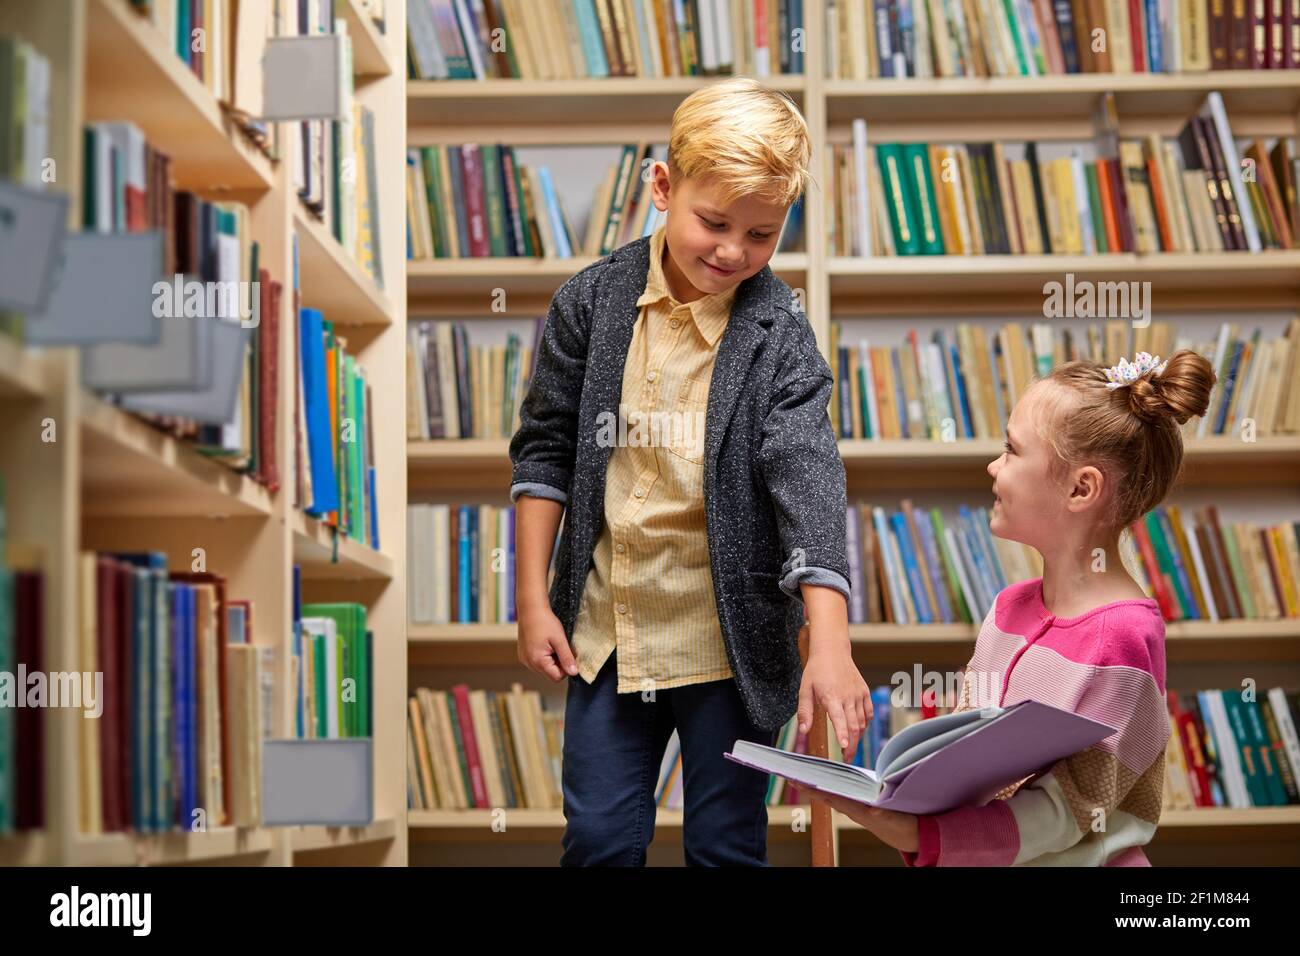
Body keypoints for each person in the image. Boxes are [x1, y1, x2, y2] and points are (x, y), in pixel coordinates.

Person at [509, 77, 872, 866]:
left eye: (763, 234)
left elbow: (807, 479)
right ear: (663, 188)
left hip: (730, 650)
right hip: (609, 636)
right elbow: (544, 449)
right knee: (600, 842)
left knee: (725, 847)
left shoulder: (781, 334)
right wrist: (532, 597)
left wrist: (831, 643)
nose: (734, 251)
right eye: (714, 222)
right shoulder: (590, 303)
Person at [818, 350, 1215, 866]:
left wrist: (925, 836)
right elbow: (964, 752)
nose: (993, 465)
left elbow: (1070, 811)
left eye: (1011, 450)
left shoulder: (1123, 636)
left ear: (1081, 488)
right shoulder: (1008, 608)